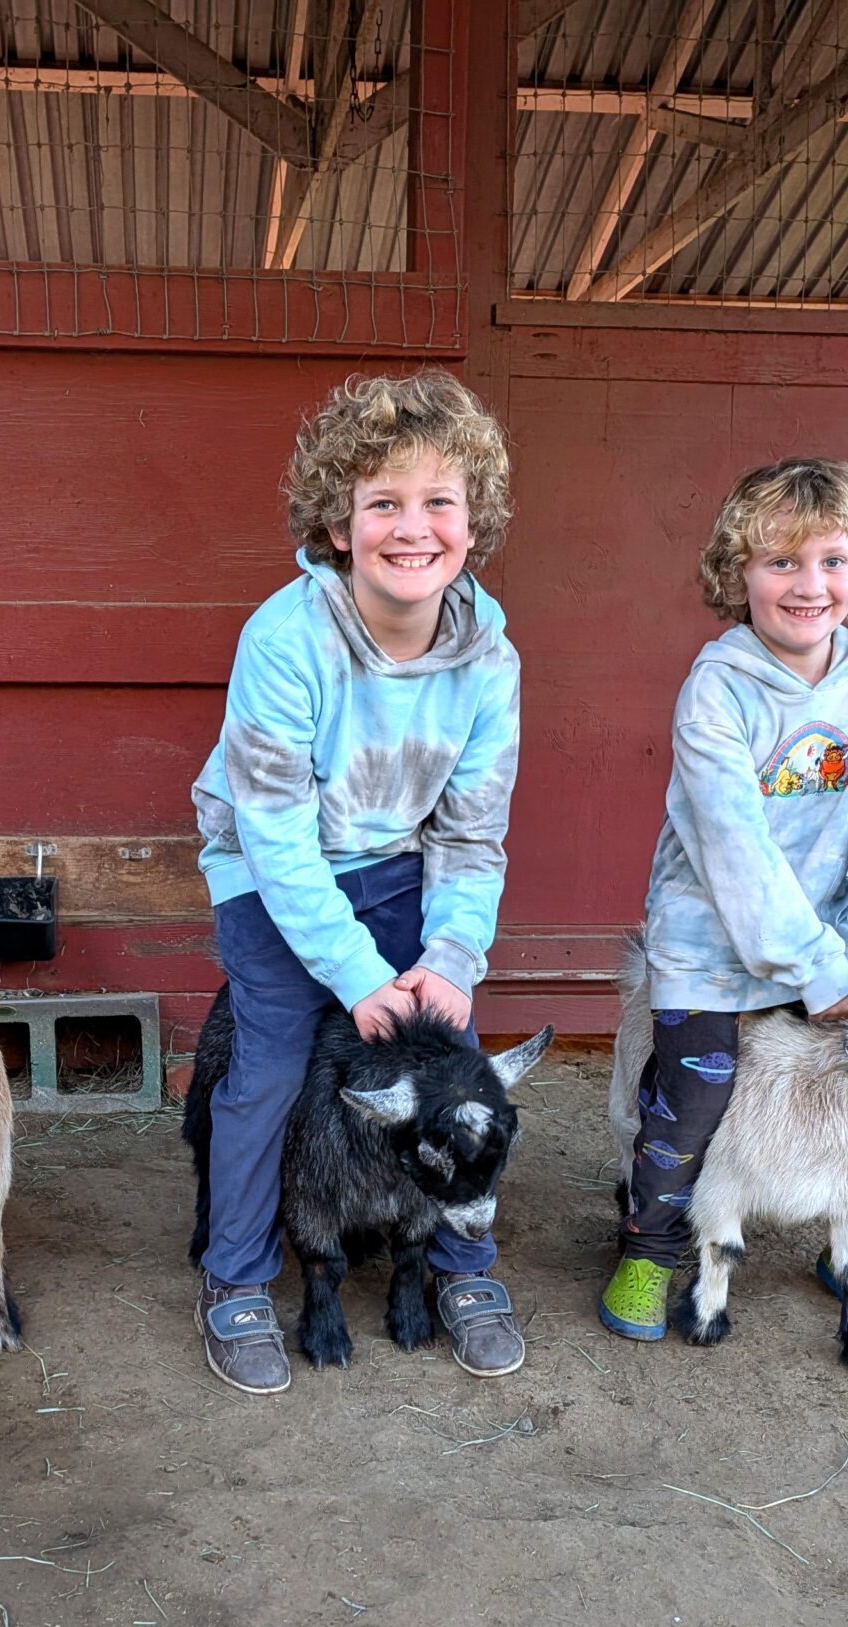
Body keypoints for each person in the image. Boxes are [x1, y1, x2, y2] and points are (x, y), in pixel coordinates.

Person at [188, 371, 525, 1394]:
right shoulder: (285, 641)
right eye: (382, 502)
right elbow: (277, 834)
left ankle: (461, 1262)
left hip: (400, 865)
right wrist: (351, 973)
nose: (410, 528)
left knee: (451, 1057)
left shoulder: (490, 659)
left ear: (473, 523)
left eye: (437, 502)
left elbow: (472, 833)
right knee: (274, 1065)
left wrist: (449, 957)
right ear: (337, 523)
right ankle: (237, 1273)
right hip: (269, 868)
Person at [597, 457, 848, 1348]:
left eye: (830, 560)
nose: (808, 585)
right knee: (694, 1099)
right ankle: (653, 1244)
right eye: (780, 562)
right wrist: (813, 965)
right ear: (736, 573)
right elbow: (732, 847)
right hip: (712, 942)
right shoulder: (718, 688)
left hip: (837, 941)